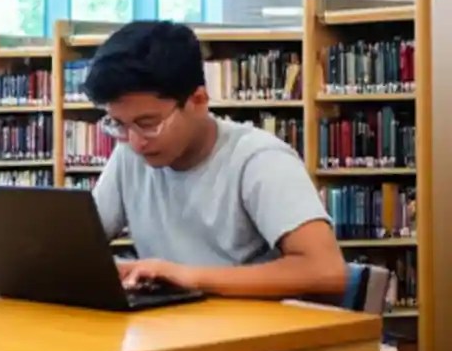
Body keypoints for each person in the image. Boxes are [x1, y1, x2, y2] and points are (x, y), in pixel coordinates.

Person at [84, 20, 346, 299]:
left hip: (251, 332)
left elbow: (326, 271)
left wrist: (185, 276)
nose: (136, 142)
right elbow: (75, 247)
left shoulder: (259, 160)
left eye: (148, 123)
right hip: (168, 329)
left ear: (198, 100)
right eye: (118, 124)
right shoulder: (130, 153)